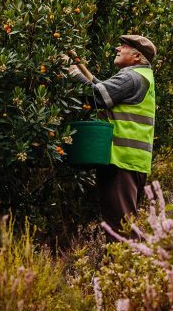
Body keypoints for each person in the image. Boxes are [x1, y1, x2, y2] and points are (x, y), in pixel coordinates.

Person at [67, 34, 156, 241]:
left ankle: (129, 271)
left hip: (120, 161)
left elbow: (98, 96)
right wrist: (80, 66)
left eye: (123, 46)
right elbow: (102, 87)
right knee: (123, 224)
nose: (117, 48)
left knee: (121, 231)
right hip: (131, 162)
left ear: (136, 56)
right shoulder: (141, 77)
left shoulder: (131, 77)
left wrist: (71, 73)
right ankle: (125, 270)